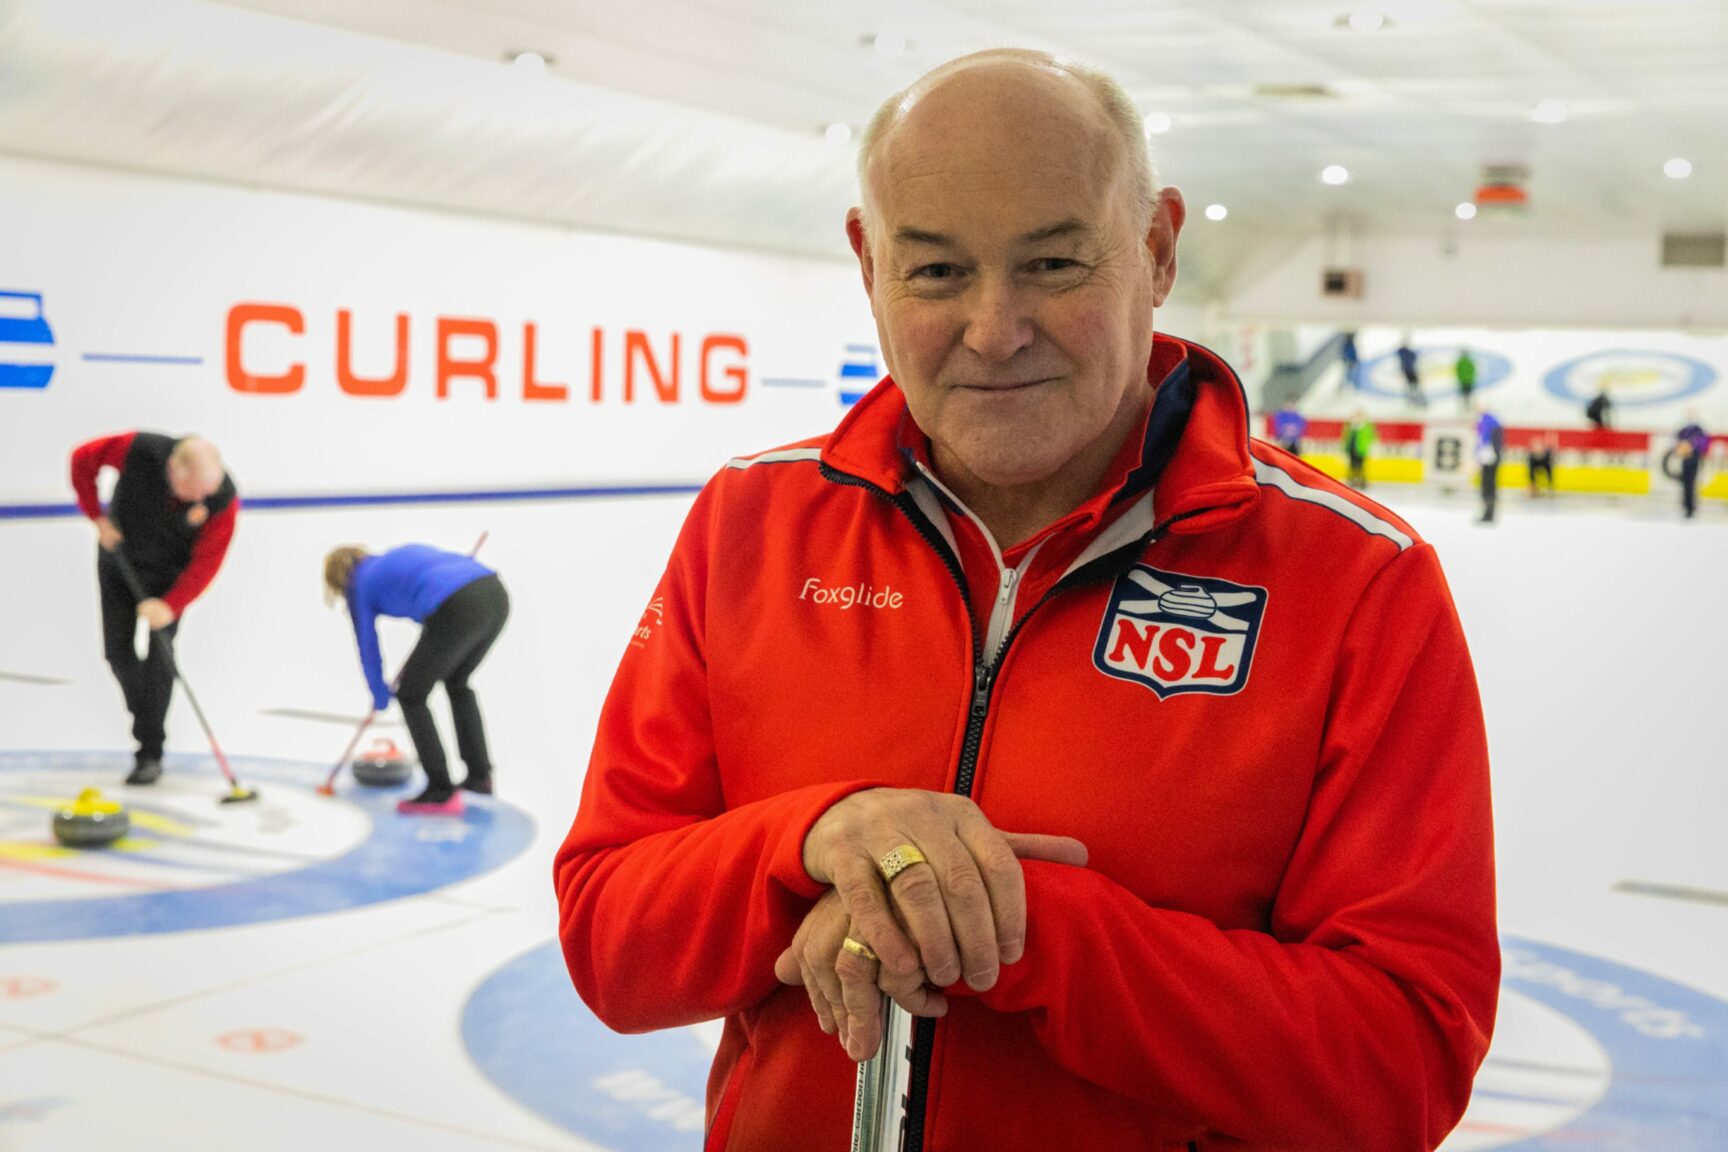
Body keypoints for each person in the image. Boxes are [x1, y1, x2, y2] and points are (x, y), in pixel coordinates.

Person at [555, 49, 1496, 1152]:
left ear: (1157, 250)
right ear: (869, 264)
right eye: (936, 271)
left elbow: (1400, 1069)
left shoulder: (1356, 580)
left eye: (1052, 263)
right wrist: (816, 838)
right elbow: (610, 940)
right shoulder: (751, 523)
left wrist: (1014, 922)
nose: (995, 330)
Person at [69, 432, 238, 785]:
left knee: (160, 658)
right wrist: (97, 516)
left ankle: (150, 752)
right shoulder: (139, 450)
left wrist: (170, 605)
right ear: (173, 470)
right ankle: (147, 720)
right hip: (119, 561)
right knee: (117, 652)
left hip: (171, 579)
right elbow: (83, 458)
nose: (202, 499)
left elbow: (208, 560)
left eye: (207, 490)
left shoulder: (221, 497)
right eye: (194, 490)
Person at [323, 544, 509, 814]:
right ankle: (480, 777)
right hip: (494, 593)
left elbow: (367, 645)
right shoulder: (387, 562)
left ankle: (439, 790)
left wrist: (379, 694)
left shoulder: (358, 584)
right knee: (457, 682)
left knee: (411, 694)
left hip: (457, 604)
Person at [1669, 413, 1710, 519]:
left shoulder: (1698, 430)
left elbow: (1704, 443)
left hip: (1694, 458)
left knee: (1691, 483)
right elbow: (1676, 442)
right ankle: (1686, 505)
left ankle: (1691, 506)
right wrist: (1680, 450)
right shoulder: (1683, 430)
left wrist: (1693, 447)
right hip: (1685, 459)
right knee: (1686, 484)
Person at [1475, 409, 1505, 523]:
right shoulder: (1492, 422)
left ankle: (1489, 513)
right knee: (1488, 486)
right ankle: (1488, 513)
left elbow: (1484, 440)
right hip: (1490, 456)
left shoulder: (1489, 422)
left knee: (1488, 485)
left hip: (1489, 457)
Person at [1344, 407, 1376, 489]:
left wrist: (1369, 447)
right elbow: (1347, 438)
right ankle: (1352, 480)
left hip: (1361, 449)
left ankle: (1362, 481)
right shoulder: (1351, 426)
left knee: (1360, 466)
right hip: (1352, 449)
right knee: (1352, 466)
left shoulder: (1366, 426)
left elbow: (1371, 437)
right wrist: (1345, 448)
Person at [1526, 429, 1557, 497]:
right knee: (1531, 469)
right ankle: (1533, 486)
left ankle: (1550, 487)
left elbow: (1551, 461)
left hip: (1545, 465)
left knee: (1549, 468)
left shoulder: (1547, 454)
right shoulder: (1532, 456)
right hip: (1535, 466)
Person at [1397, 338, 1424, 407]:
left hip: (1411, 371)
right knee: (1412, 386)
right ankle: (1413, 400)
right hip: (1408, 371)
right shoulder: (1404, 352)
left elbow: (1414, 357)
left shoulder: (1408, 353)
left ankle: (1416, 399)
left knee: (1414, 386)